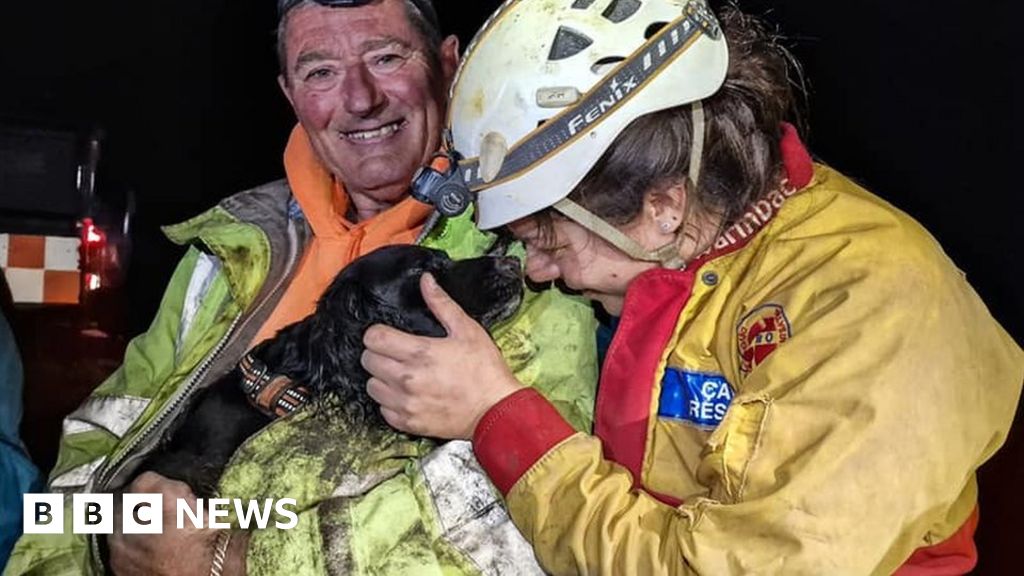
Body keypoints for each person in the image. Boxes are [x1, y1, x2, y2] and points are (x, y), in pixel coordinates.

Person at [362, 0, 1024, 574]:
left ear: (664, 207)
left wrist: (496, 417)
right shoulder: (686, 252)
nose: (537, 271)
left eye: (548, 240)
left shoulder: (870, 302)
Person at [5, 1, 597, 575]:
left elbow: (531, 520)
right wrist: (109, 538)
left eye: (386, 58)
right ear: (290, 93)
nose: (361, 99)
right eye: (321, 72)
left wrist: (229, 563)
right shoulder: (230, 252)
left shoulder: (529, 253)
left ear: (448, 65)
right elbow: (93, 445)